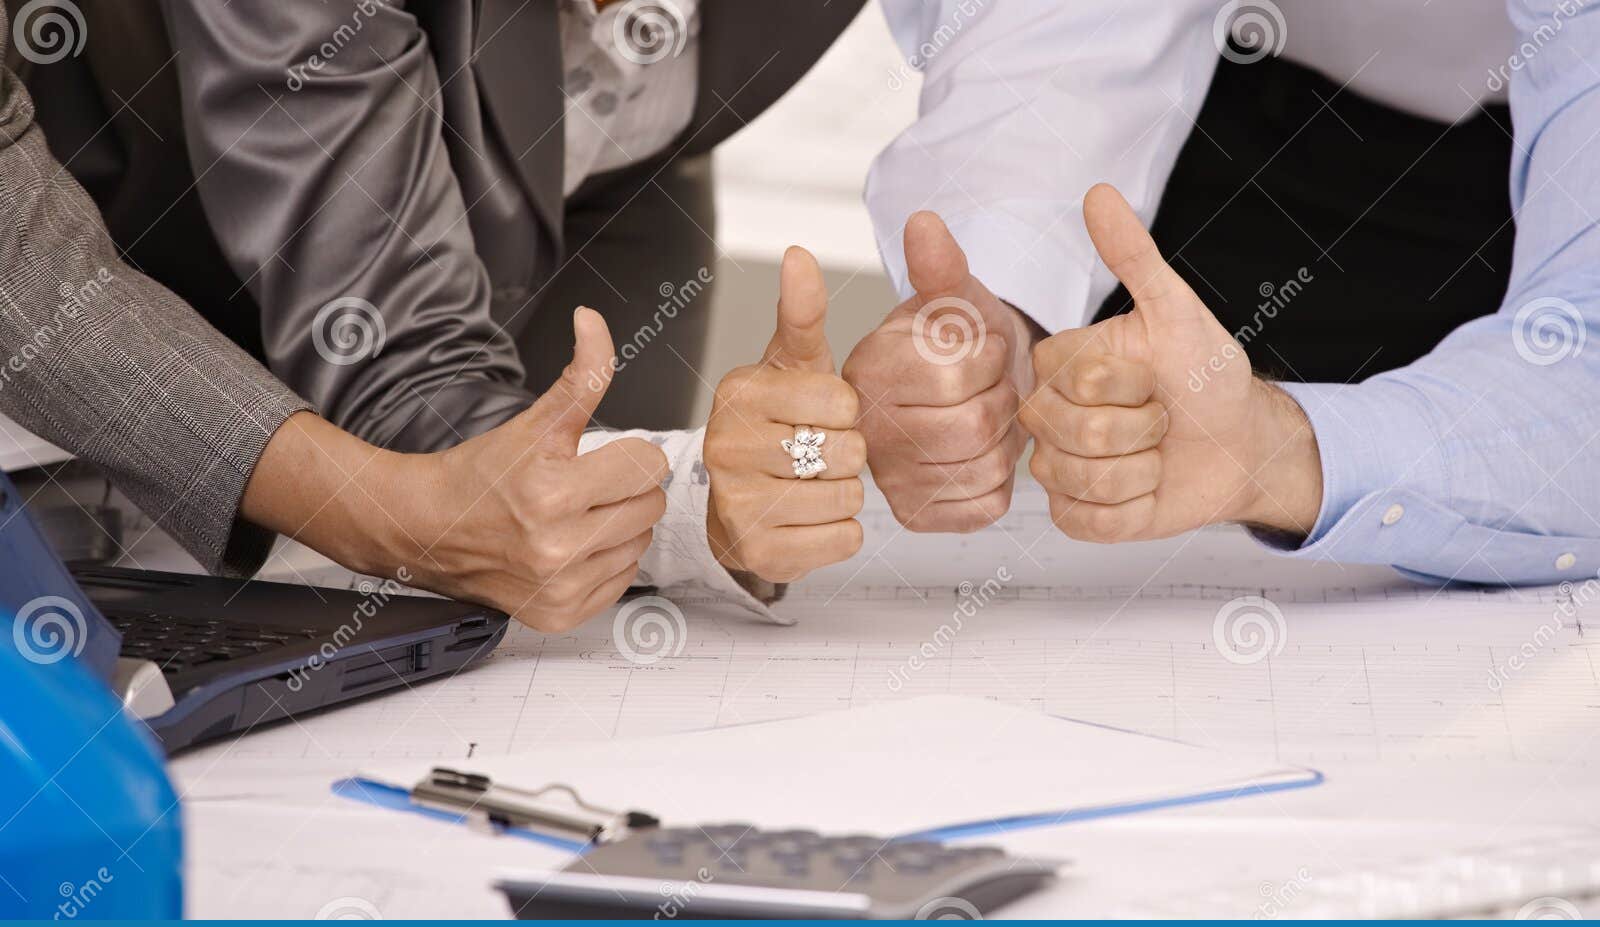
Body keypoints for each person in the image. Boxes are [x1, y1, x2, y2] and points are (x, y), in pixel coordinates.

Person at [0, 2, 861, 631]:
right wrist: (690, 497)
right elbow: (25, 270)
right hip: (84, 378)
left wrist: (987, 328)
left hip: (562, 246)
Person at [850, 0, 1600, 585]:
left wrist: (1276, 450)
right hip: (1223, 132)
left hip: (1524, 173)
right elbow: (1071, 34)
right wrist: (1002, 320)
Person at [31, 0, 870, 451]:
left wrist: (986, 325)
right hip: (120, 275)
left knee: (599, 632)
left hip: (616, 200)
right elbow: (400, 368)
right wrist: (699, 496)